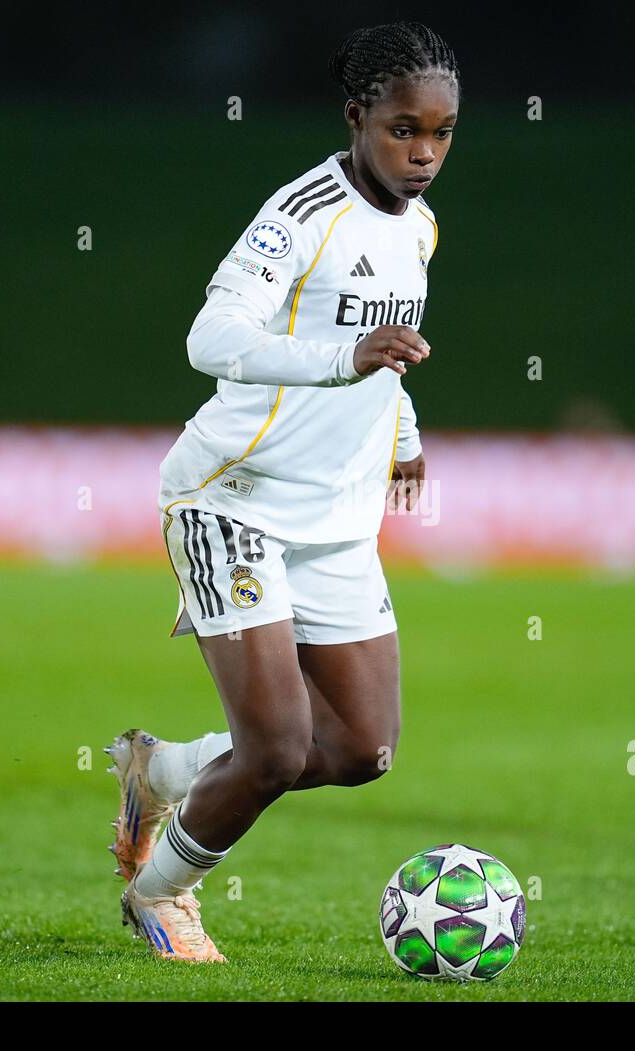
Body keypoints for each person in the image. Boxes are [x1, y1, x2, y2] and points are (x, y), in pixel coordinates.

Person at [105, 21, 460, 959]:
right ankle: (161, 896)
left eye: (441, 133)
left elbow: (391, 354)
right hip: (236, 499)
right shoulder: (302, 214)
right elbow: (210, 338)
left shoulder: (418, 225)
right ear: (356, 117)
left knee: (357, 751)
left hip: (338, 521)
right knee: (271, 751)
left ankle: (164, 769)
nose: (423, 153)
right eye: (402, 130)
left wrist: (404, 437)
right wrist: (345, 358)